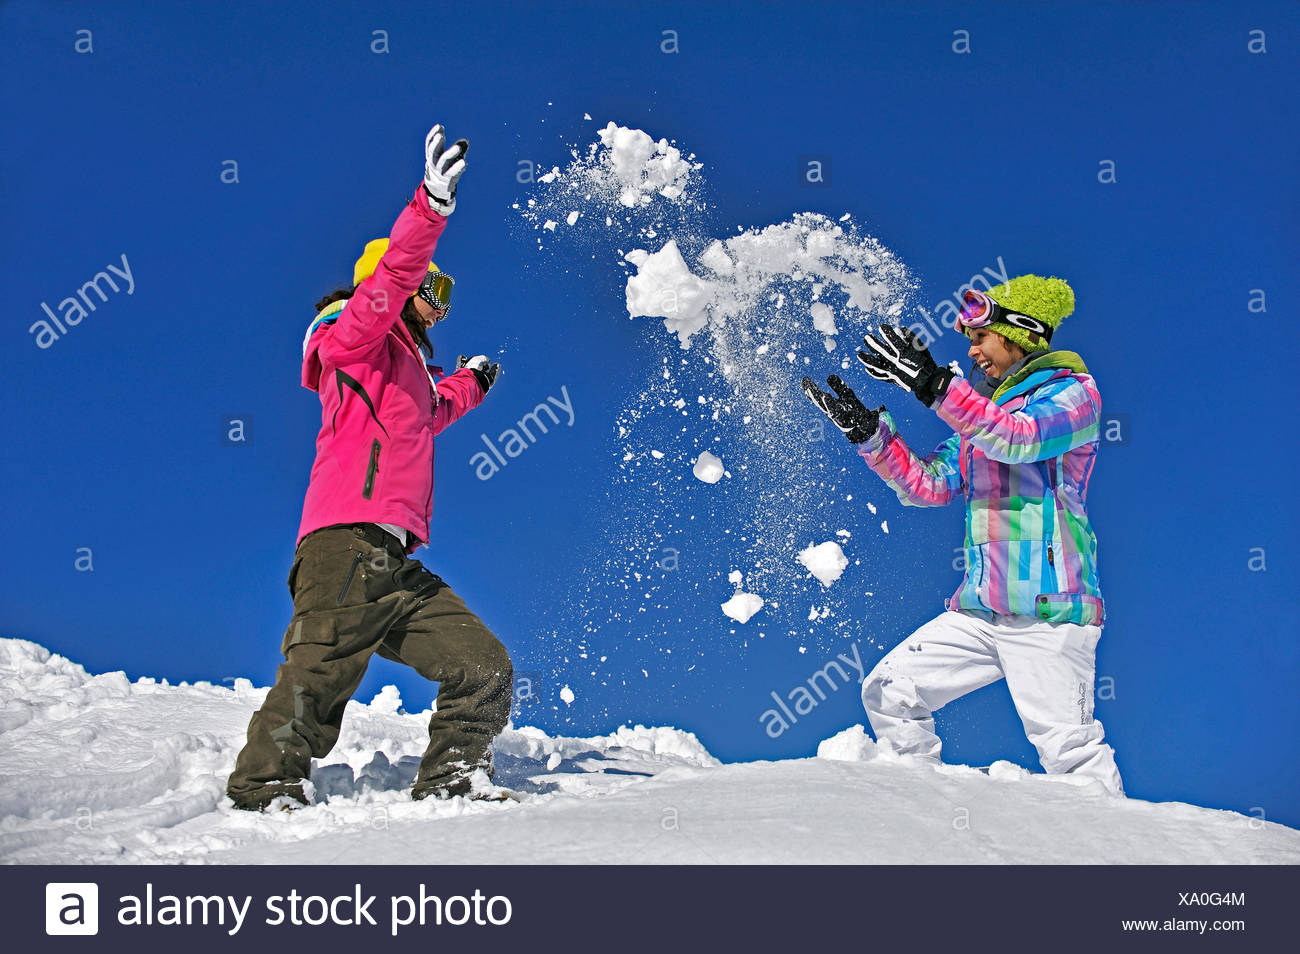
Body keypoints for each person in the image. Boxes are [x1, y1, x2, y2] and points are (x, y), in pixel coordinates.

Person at [227, 123, 513, 811]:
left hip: (394, 561)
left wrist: (469, 383)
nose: (439, 305)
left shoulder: (407, 373)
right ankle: (264, 789)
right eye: (432, 289)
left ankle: (452, 778)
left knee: (486, 669)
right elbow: (389, 283)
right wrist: (430, 211)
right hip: (344, 546)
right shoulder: (352, 339)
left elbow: (428, 414)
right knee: (319, 671)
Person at [801, 274, 1123, 796]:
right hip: (980, 613)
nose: (972, 353)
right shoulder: (979, 423)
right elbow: (928, 485)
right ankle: (925, 814)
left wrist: (934, 386)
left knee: (1069, 751)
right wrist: (869, 435)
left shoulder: (1074, 394)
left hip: (1048, 614)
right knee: (890, 689)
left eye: (980, 337)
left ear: (1019, 333)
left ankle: (1129, 859)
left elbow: (1017, 440)